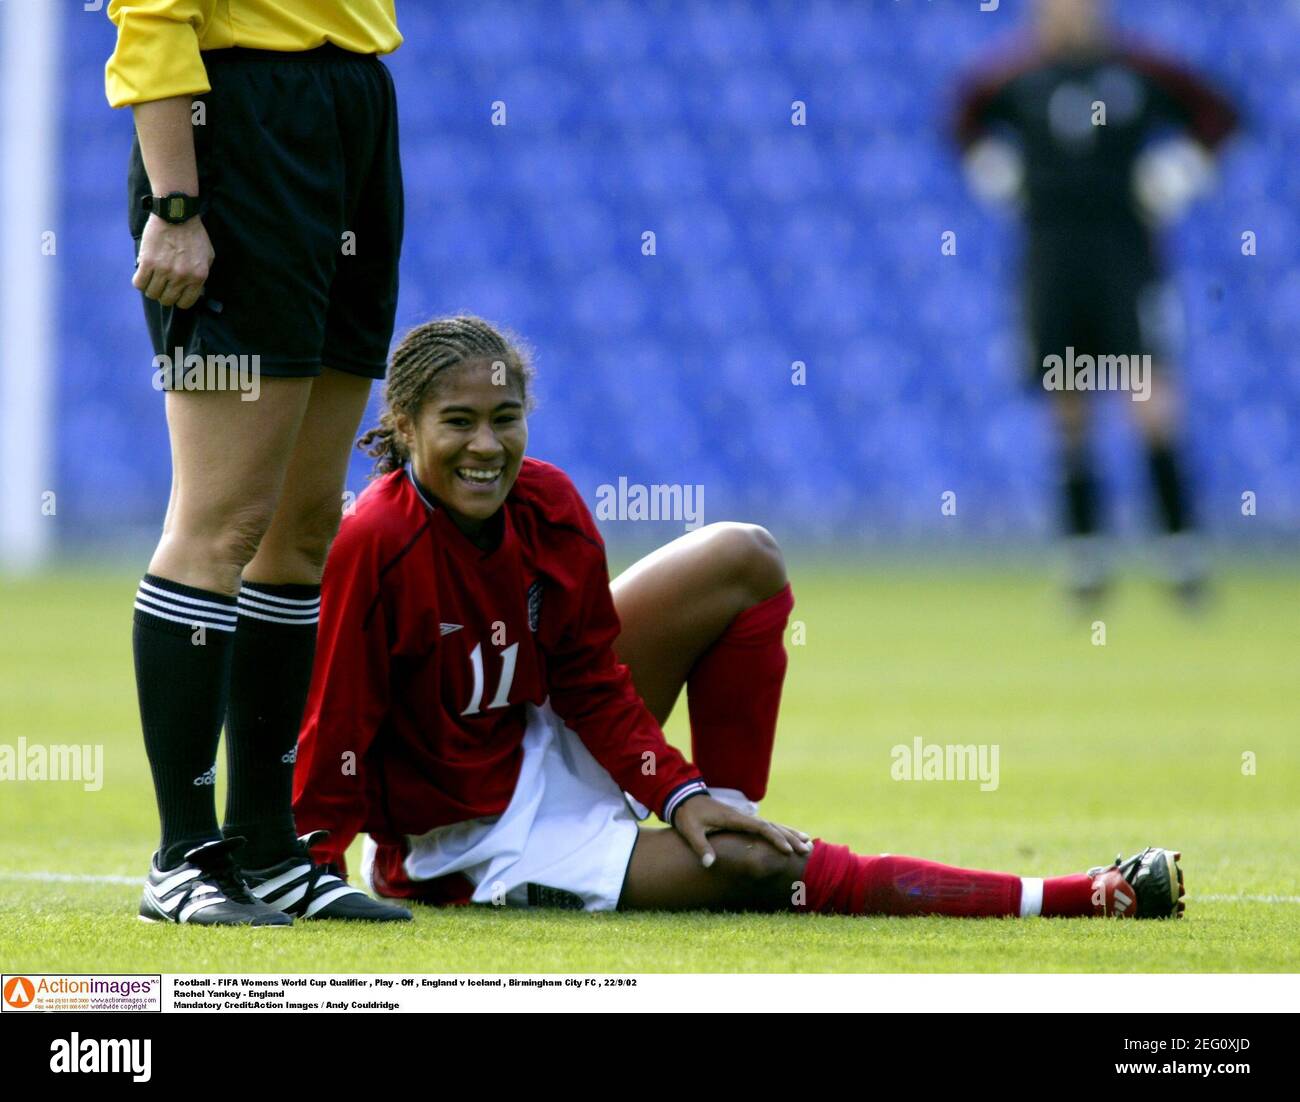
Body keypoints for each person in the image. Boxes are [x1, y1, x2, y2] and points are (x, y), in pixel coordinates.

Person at [291, 315, 1185, 920]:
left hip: (536, 739)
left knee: (744, 556)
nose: (486, 446)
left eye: (505, 418)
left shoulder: (549, 505)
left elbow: (591, 681)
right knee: (766, 877)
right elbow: (339, 719)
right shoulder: (376, 542)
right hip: (471, 839)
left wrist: (684, 797)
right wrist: (322, 874)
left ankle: (733, 814)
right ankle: (1083, 894)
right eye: (458, 423)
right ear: (403, 427)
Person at [105, 0, 410, 924]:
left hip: (354, 104)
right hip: (238, 122)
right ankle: (183, 858)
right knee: (223, 521)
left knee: (306, 523)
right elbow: (150, 18)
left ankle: (271, 849)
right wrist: (176, 203)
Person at [954, 0, 1239, 603]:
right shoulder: (1015, 73)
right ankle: (1085, 555)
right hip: (1051, 257)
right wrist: (989, 165)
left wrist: (1181, 168)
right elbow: (962, 114)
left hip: (1126, 255)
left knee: (1150, 398)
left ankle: (1179, 550)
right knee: (1068, 404)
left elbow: (1219, 112)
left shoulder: (1139, 68)